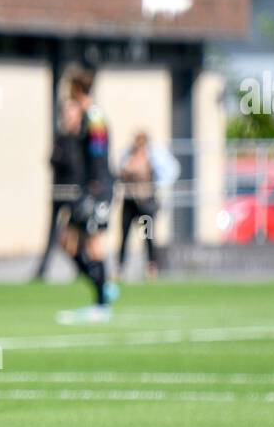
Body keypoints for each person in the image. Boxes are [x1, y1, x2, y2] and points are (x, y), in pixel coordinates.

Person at [50, 65, 116, 320]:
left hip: (97, 190)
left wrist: (97, 187)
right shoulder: (81, 117)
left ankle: (101, 305)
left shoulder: (94, 116)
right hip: (84, 190)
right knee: (66, 241)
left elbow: (98, 153)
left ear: (78, 88)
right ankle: (103, 288)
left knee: (95, 244)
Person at [116, 131, 180, 279]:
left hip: (145, 203)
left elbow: (168, 172)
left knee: (148, 236)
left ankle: (151, 266)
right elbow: (120, 170)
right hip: (130, 201)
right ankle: (120, 266)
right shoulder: (128, 156)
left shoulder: (153, 157)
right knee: (124, 234)